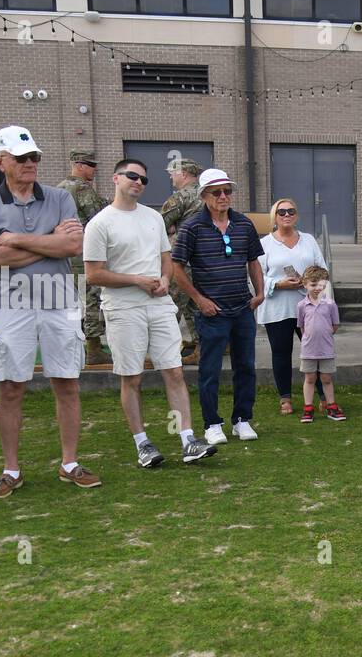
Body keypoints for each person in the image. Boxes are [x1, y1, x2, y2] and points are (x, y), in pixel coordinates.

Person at [0, 125, 100, 498]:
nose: (30, 163)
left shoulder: (60, 196)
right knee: (11, 387)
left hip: (59, 300)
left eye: (34, 157)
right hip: (10, 305)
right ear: (1, 161)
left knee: (67, 383)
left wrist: (17, 239)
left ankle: (70, 463)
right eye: (21, 158)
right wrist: (49, 242)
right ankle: (11, 469)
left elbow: (74, 245)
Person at [83, 158, 217, 467]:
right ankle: (143, 444)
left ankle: (187, 439)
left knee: (173, 371)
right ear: (116, 178)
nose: (139, 182)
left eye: (144, 179)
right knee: (132, 378)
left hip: (158, 304)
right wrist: (136, 281)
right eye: (132, 176)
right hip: (123, 308)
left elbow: (166, 258)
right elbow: (92, 275)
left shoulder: (153, 218)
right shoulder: (100, 223)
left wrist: (166, 279)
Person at [170, 168, 265, 446]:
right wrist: (199, 299)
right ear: (204, 196)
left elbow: (253, 261)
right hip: (212, 312)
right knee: (210, 370)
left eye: (227, 191)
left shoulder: (244, 224)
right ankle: (212, 423)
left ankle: (242, 419)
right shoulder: (192, 227)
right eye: (217, 192)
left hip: (243, 308)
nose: (223, 196)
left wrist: (259, 292)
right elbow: (177, 267)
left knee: (246, 366)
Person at [259, 198, 329, 415]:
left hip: (310, 307)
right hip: (277, 307)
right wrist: (277, 284)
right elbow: (255, 276)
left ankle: (324, 395)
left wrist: (313, 286)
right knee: (281, 353)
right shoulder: (265, 244)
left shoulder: (308, 240)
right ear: (275, 216)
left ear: (296, 215)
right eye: (281, 212)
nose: (286, 215)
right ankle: (285, 398)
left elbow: (322, 269)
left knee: (315, 353)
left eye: (291, 211)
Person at [57, 148, 110, 365]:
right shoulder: (82, 189)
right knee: (91, 300)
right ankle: (94, 348)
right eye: (91, 165)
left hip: (65, 254)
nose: (94, 169)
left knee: (72, 301)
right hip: (85, 253)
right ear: (79, 165)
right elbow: (98, 218)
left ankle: (72, 344)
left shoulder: (59, 189)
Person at [161, 157, 204, 364]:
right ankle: (202, 347)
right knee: (197, 304)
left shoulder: (179, 198)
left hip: (182, 261)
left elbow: (158, 225)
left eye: (172, 172)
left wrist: (173, 231)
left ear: (184, 174)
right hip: (204, 262)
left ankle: (164, 352)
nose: (170, 176)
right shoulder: (208, 195)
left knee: (172, 305)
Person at [296, 265, 345, 423]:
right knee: (309, 378)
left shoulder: (330, 304)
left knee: (326, 378)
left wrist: (325, 335)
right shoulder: (301, 306)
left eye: (321, 286)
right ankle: (308, 408)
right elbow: (302, 326)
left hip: (326, 349)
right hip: (308, 350)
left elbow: (335, 325)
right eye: (313, 285)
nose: (317, 288)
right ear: (305, 284)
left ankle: (331, 406)